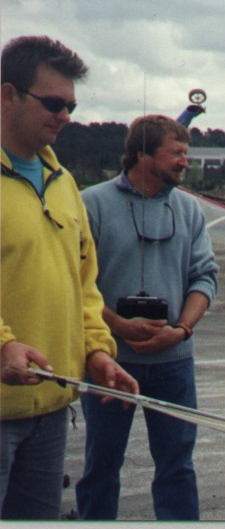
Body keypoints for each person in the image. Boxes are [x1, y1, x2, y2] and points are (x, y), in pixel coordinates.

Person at [0, 35, 138, 520]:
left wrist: (96, 351)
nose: (63, 116)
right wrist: (3, 344)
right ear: (7, 94)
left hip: (50, 407)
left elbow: (84, 284)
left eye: (71, 107)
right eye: (54, 102)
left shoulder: (64, 188)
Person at [75, 115, 219, 520]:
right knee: (101, 468)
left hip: (174, 366)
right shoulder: (92, 205)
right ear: (142, 155)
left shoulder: (190, 210)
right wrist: (117, 326)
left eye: (186, 154)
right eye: (176, 154)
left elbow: (205, 277)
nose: (184, 163)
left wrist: (181, 330)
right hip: (109, 363)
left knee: (177, 469)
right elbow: (75, 282)